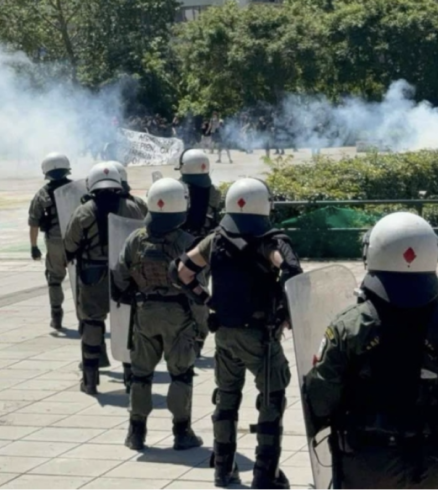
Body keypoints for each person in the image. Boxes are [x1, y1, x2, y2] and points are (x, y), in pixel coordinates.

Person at [303, 212, 438, 489]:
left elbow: (320, 402)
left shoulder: (348, 327)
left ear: (371, 254)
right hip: (432, 466)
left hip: (367, 467)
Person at [177, 178, 302, 489]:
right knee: (271, 399)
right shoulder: (268, 241)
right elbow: (290, 269)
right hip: (260, 337)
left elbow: (181, 271)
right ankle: (265, 475)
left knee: (226, 399)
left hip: (225, 333)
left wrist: (206, 300)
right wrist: (285, 313)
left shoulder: (214, 239)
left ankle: (223, 469)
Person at [113, 178, 204, 452]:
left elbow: (120, 277)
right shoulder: (189, 244)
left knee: (141, 375)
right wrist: (202, 328)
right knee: (181, 375)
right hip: (179, 316)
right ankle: (182, 432)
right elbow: (199, 291)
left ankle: (136, 432)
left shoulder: (135, 239)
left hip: (144, 314)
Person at [64, 163, 145, 395]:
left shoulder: (84, 211)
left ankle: (90, 381)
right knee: (128, 324)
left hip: (93, 274)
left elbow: (70, 244)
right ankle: (131, 379)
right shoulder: (132, 207)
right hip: (125, 274)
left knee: (92, 323)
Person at [177, 149, 223, 358]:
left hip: (182, 247)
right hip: (205, 249)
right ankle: (199, 336)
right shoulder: (214, 192)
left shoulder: (178, 190)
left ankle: (189, 334)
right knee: (200, 289)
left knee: (181, 290)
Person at [28, 153, 73, 330]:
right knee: (83, 279)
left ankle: (56, 314)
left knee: (54, 279)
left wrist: (34, 246)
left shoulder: (41, 194)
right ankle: (87, 317)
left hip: (55, 242)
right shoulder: (79, 189)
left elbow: (34, 223)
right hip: (78, 239)